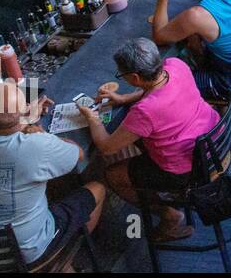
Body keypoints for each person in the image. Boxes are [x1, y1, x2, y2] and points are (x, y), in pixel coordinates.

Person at [0, 79, 106, 266]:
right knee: (97, 189)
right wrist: (37, 131)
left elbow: (2, 127)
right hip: (25, 255)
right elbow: (78, 154)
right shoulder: (36, 146)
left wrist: (22, 120)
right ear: (23, 113)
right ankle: (62, 258)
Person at [81, 39, 220, 243]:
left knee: (112, 175)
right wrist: (124, 99)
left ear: (135, 77)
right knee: (138, 140)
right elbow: (156, 88)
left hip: (187, 168)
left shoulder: (145, 112)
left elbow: (106, 147)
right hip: (214, 141)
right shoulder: (176, 65)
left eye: (123, 74)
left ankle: (168, 215)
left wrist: (92, 117)